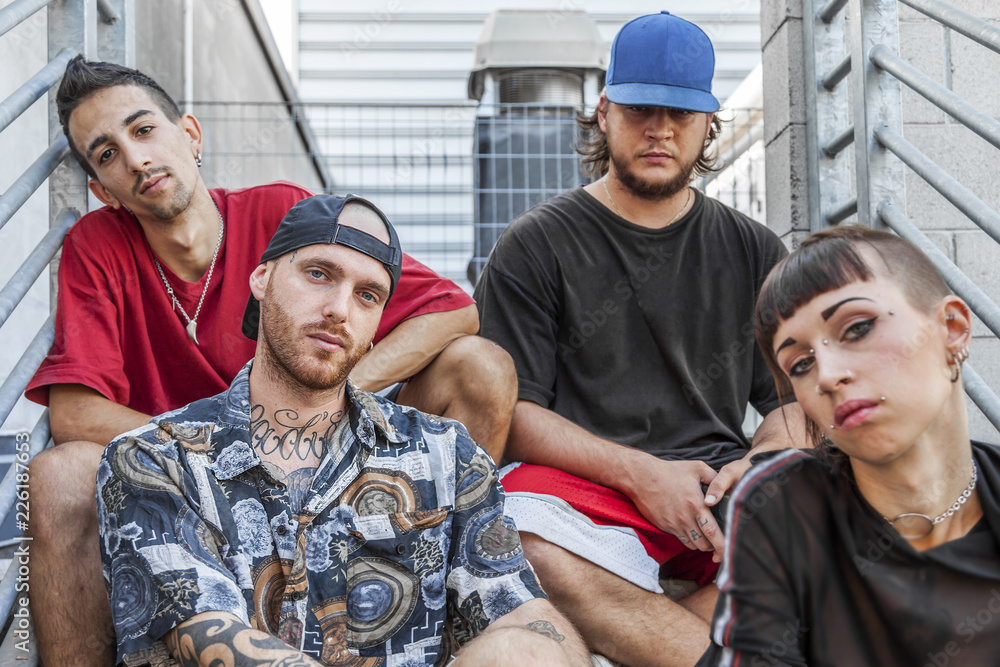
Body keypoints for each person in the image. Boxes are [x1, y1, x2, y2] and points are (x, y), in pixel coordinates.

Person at [24, 56, 516, 665]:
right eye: (106, 154)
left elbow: (455, 311)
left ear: (191, 135)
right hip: (181, 484)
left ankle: (439, 598)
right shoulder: (98, 246)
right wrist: (217, 449)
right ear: (103, 191)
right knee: (57, 474)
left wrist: (336, 396)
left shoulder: (280, 213)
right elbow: (73, 412)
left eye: (144, 130)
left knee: (482, 366)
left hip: (338, 455)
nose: (135, 159)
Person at [96, 193, 591, 666]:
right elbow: (204, 635)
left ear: (378, 323)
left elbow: (517, 603)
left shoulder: (448, 455)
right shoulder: (154, 456)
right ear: (263, 277)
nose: (339, 309)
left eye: (367, 295)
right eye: (318, 274)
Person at [474, 12, 804, 667]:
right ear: (603, 111)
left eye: (680, 113)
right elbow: (511, 417)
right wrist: (641, 473)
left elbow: (795, 406)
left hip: (714, 495)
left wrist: (756, 465)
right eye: (640, 109)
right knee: (518, 543)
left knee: (814, 513)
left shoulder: (756, 250)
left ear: (709, 123)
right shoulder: (535, 246)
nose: (660, 128)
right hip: (584, 495)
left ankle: (638, 641)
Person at [698, 225, 1000, 666]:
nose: (826, 375)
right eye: (799, 364)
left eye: (857, 329)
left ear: (951, 329)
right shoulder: (781, 504)